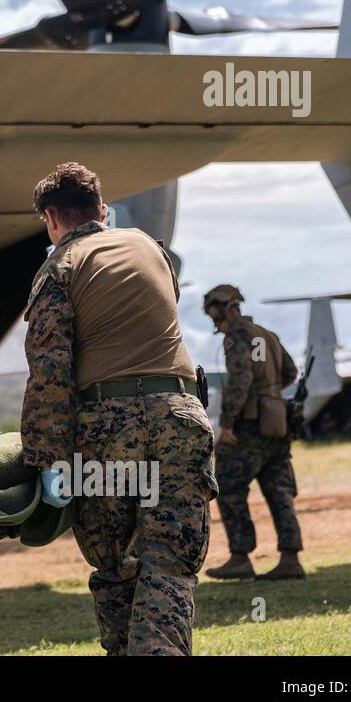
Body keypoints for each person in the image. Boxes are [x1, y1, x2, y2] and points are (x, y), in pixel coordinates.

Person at [21, 162, 216, 656]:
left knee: (116, 566)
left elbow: (50, 374)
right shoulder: (152, 248)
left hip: (108, 433)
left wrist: (48, 461)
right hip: (180, 418)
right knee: (168, 563)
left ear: (50, 218)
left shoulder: (58, 268)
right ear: (102, 212)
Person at [201, 284, 305, 581]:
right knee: (279, 490)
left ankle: (240, 557)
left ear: (224, 310)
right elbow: (290, 373)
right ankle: (290, 558)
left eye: (215, 317)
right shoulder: (266, 335)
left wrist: (229, 423)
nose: (216, 325)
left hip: (250, 425)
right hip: (278, 422)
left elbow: (241, 379)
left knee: (229, 486)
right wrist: (269, 393)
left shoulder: (237, 337)